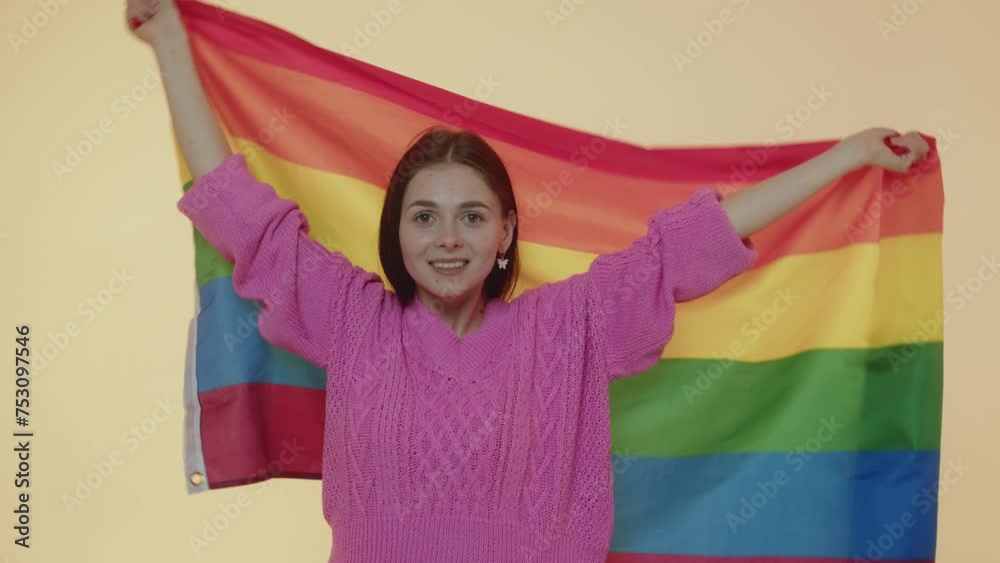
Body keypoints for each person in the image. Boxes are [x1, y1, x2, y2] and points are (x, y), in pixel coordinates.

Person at [127, 1, 931, 561]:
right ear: (396, 231)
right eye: (425, 217)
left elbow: (696, 241)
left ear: (508, 232)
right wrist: (169, 41)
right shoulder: (350, 318)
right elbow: (237, 212)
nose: (448, 239)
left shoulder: (568, 325)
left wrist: (848, 156)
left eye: (473, 217)